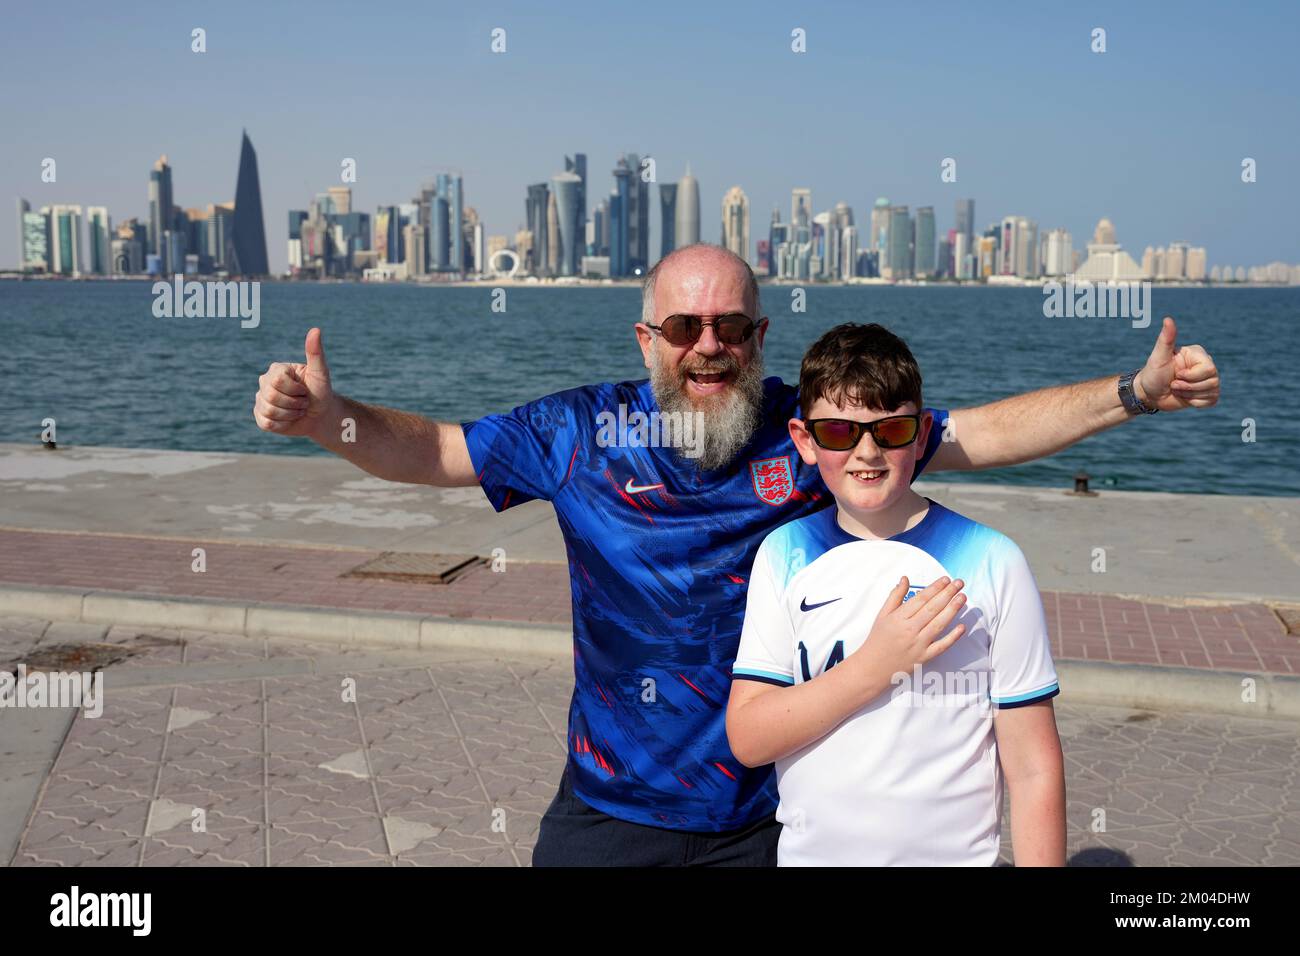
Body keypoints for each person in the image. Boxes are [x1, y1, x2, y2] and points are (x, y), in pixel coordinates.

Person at [252, 243, 1219, 866]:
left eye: (729, 327)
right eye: (684, 327)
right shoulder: (577, 431)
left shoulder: (816, 434)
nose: (707, 346)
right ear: (649, 338)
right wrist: (328, 418)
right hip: (609, 810)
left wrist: (1130, 396)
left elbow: (981, 433)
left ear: (759, 335)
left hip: (767, 824)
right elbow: (436, 450)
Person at [727, 323, 1064, 866]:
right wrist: (875, 665)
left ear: (923, 432)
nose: (867, 451)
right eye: (839, 432)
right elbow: (748, 736)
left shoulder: (993, 559)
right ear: (804, 440)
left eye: (891, 430)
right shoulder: (783, 553)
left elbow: (1033, 768)